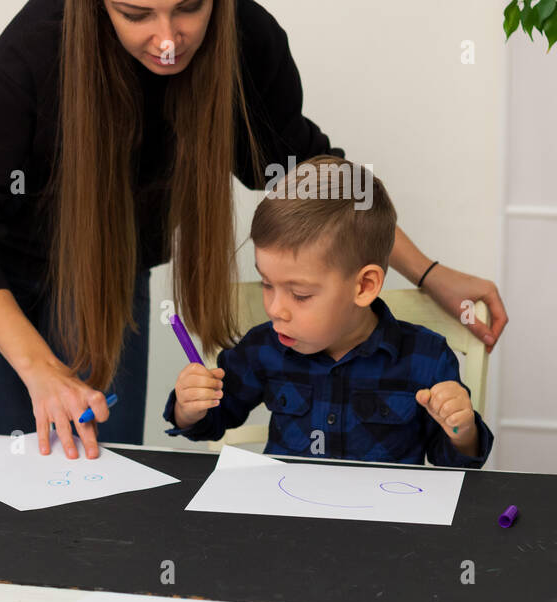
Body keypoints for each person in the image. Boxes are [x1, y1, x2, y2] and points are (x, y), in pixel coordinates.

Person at [0, 0, 508, 461]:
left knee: (101, 476)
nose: (169, 40)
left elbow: (312, 176)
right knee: (16, 472)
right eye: (136, 15)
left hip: (104, 272)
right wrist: (40, 370)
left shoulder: (247, 40)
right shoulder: (38, 47)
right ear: (97, 0)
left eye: (190, 7)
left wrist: (427, 273)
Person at [164, 155, 495, 467]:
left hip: (385, 522)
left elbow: (454, 465)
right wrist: (188, 408)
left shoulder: (426, 357)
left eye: (300, 294)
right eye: (266, 284)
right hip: (285, 518)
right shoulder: (262, 347)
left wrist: (461, 429)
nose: (275, 308)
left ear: (364, 286)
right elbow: (215, 420)